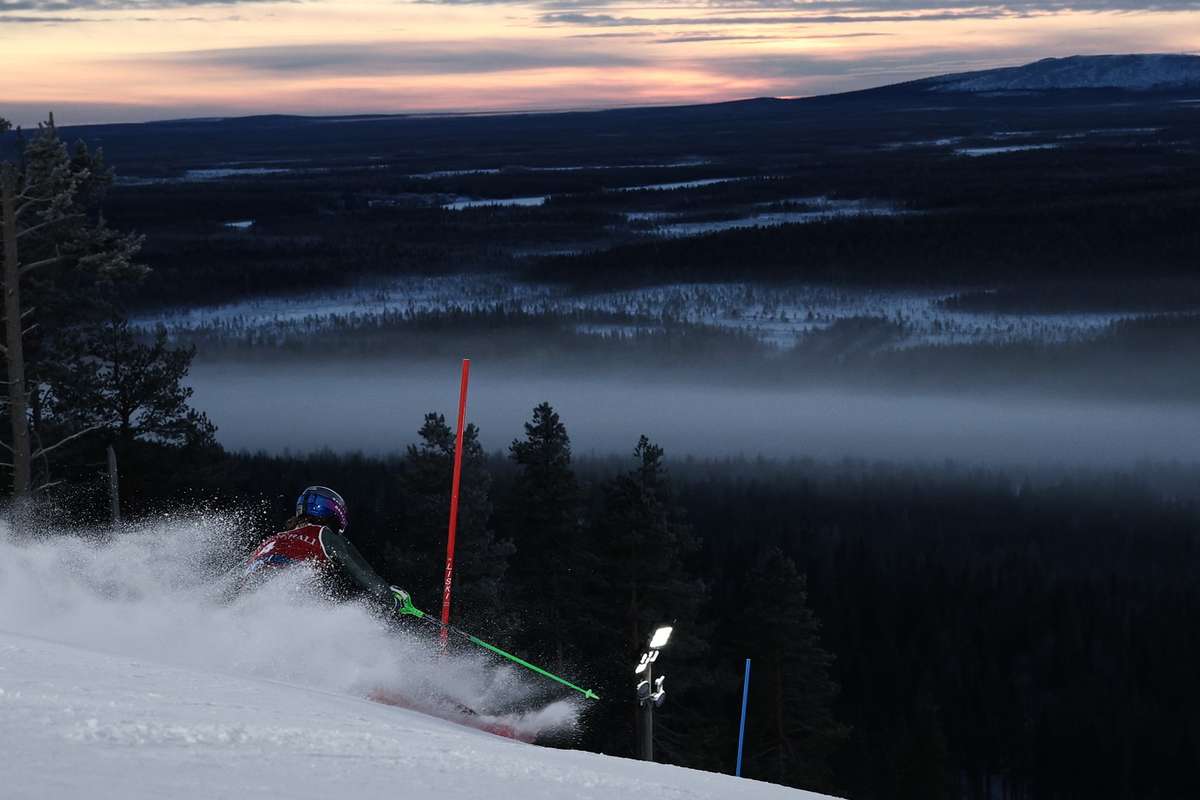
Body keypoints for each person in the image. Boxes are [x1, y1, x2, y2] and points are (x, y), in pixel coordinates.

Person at [244, 485, 410, 612]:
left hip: (249, 597)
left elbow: (240, 573)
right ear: (335, 513)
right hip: (286, 597)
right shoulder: (324, 534)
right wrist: (391, 599)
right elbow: (362, 573)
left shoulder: (273, 539)